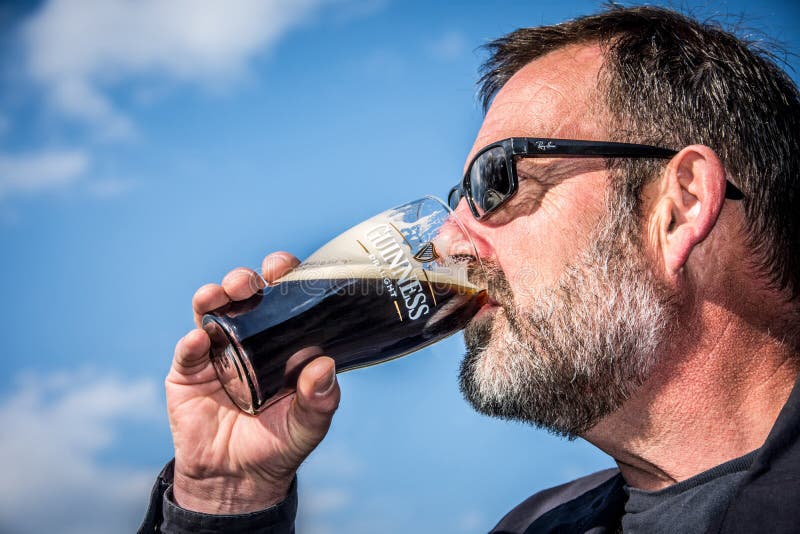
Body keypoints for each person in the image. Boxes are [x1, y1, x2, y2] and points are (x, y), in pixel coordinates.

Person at [138, 6, 800, 533]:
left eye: (497, 179)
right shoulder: (535, 524)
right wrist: (225, 500)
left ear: (679, 206)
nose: (451, 240)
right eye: (458, 202)